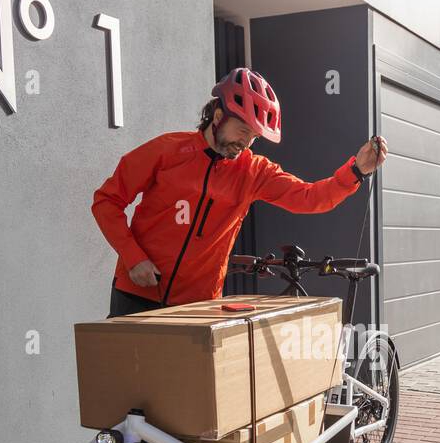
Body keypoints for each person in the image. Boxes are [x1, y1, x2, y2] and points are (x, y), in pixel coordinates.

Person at [93, 67, 388, 317]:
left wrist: (356, 171)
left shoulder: (254, 171)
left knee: (187, 386)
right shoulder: (167, 151)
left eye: (254, 137)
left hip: (197, 305)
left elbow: (310, 198)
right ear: (218, 114)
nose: (246, 143)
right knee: (128, 385)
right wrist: (133, 257)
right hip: (136, 294)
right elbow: (107, 201)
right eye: (242, 131)